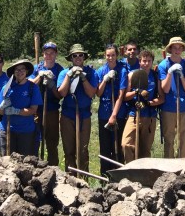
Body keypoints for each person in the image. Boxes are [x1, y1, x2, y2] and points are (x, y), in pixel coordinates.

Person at [56, 44, 98, 173]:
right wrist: (69, 76)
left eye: (81, 55)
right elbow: (61, 93)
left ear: (84, 57)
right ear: (71, 58)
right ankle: (70, 179)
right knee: (69, 150)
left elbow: (91, 93)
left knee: (83, 150)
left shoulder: (91, 73)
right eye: (75, 55)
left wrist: (83, 78)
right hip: (68, 115)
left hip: (84, 115)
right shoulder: (64, 73)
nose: (78, 57)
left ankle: (83, 179)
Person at [122, 48, 163, 162]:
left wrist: (149, 103)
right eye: (144, 61)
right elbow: (125, 96)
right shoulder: (132, 75)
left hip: (149, 116)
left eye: (149, 61)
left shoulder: (155, 76)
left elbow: (161, 98)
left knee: (145, 150)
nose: (146, 63)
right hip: (134, 114)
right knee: (126, 144)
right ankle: (131, 170)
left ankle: (143, 176)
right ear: (139, 61)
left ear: (152, 62)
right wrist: (137, 92)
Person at [0, 59, 42, 157]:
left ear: (26, 71)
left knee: (24, 163)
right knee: (6, 162)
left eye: (22, 69)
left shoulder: (33, 88)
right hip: (7, 130)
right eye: (17, 69)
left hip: (26, 131)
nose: (20, 72)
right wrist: (2, 107)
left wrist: (16, 111)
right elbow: (0, 112)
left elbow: (33, 110)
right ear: (13, 72)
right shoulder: (7, 88)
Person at [158, 37, 185, 158]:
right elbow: (166, 89)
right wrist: (169, 73)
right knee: (169, 139)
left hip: (184, 107)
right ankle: (169, 168)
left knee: (184, 139)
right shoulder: (164, 65)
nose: (177, 50)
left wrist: (182, 76)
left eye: (180, 48)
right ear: (170, 49)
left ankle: (183, 167)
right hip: (169, 107)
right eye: (175, 47)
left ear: (182, 49)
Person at [29, 41, 64, 166]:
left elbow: (60, 95)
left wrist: (52, 85)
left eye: (52, 53)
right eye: (46, 53)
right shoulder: (36, 68)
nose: (49, 56)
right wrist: (40, 76)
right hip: (36, 110)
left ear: (56, 54)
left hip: (52, 111)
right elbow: (30, 85)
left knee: (52, 142)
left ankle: (53, 168)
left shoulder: (60, 70)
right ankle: (35, 167)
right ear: (43, 54)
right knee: (34, 141)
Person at [96, 43, 128, 173]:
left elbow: (121, 95)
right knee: (105, 146)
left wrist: (114, 115)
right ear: (105, 56)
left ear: (117, 55)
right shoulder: (101, 71)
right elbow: (98, 93)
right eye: (108, 55)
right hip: (104, 110)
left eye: (113, 55)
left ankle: (118, 174)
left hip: (118, 112)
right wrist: (105, 80)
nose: (110, 58)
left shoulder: (122, 70)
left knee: (118, 145)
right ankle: (105, 176)